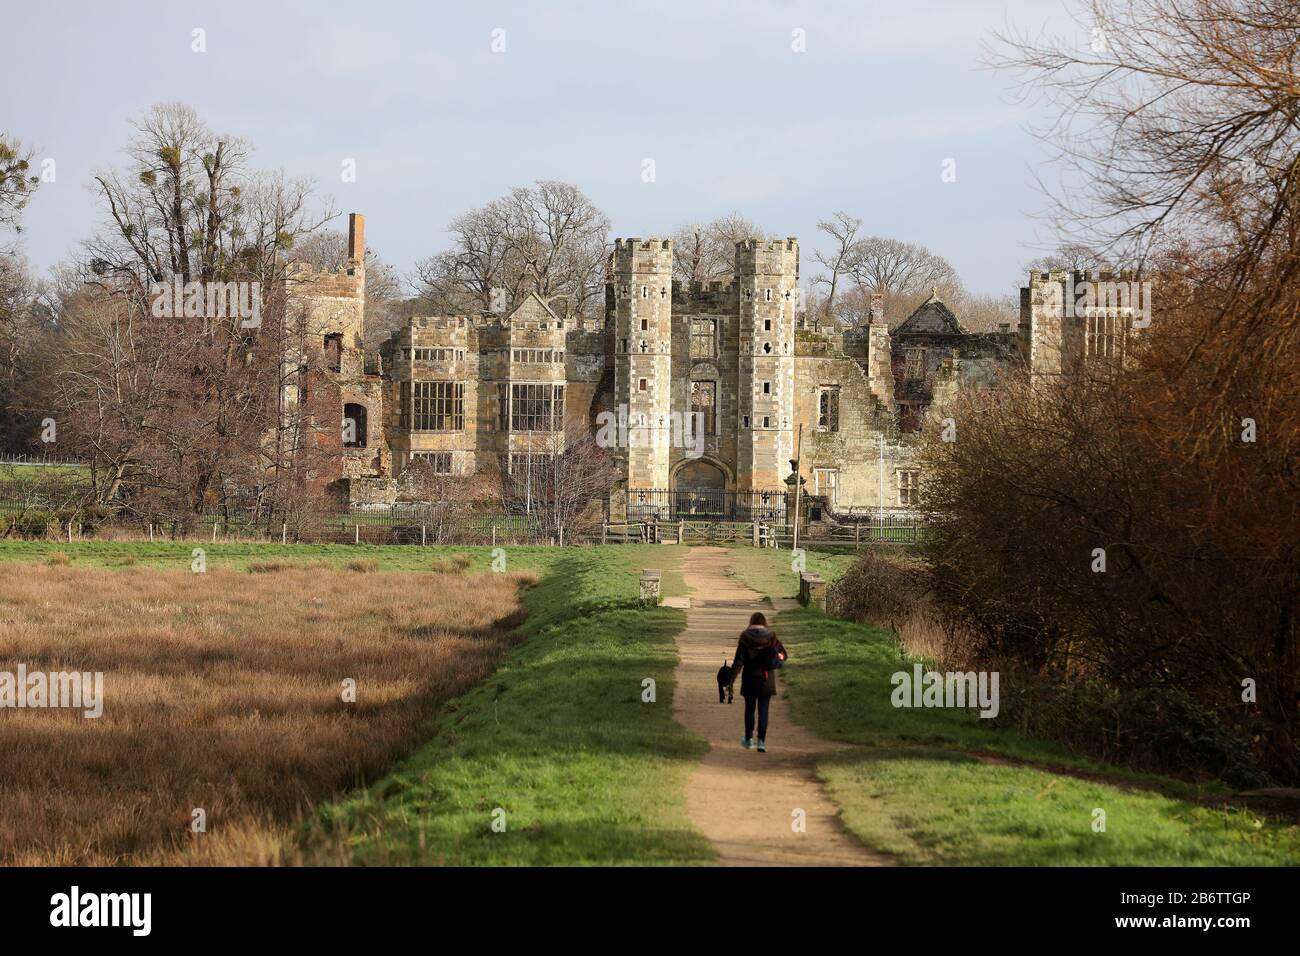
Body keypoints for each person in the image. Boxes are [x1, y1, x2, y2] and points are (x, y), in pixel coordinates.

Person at [727, 611, 787, 753]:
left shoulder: (745, 637)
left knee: (750, 709)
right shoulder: (771, 637)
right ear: (764, 622)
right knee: (764, 710)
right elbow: (784, 655)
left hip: (749, 679)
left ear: (751, 622)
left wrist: (731, 681)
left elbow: (738, 662)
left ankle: (748, 739)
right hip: (767, 680)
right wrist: (776, 664)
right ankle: (761, 742)